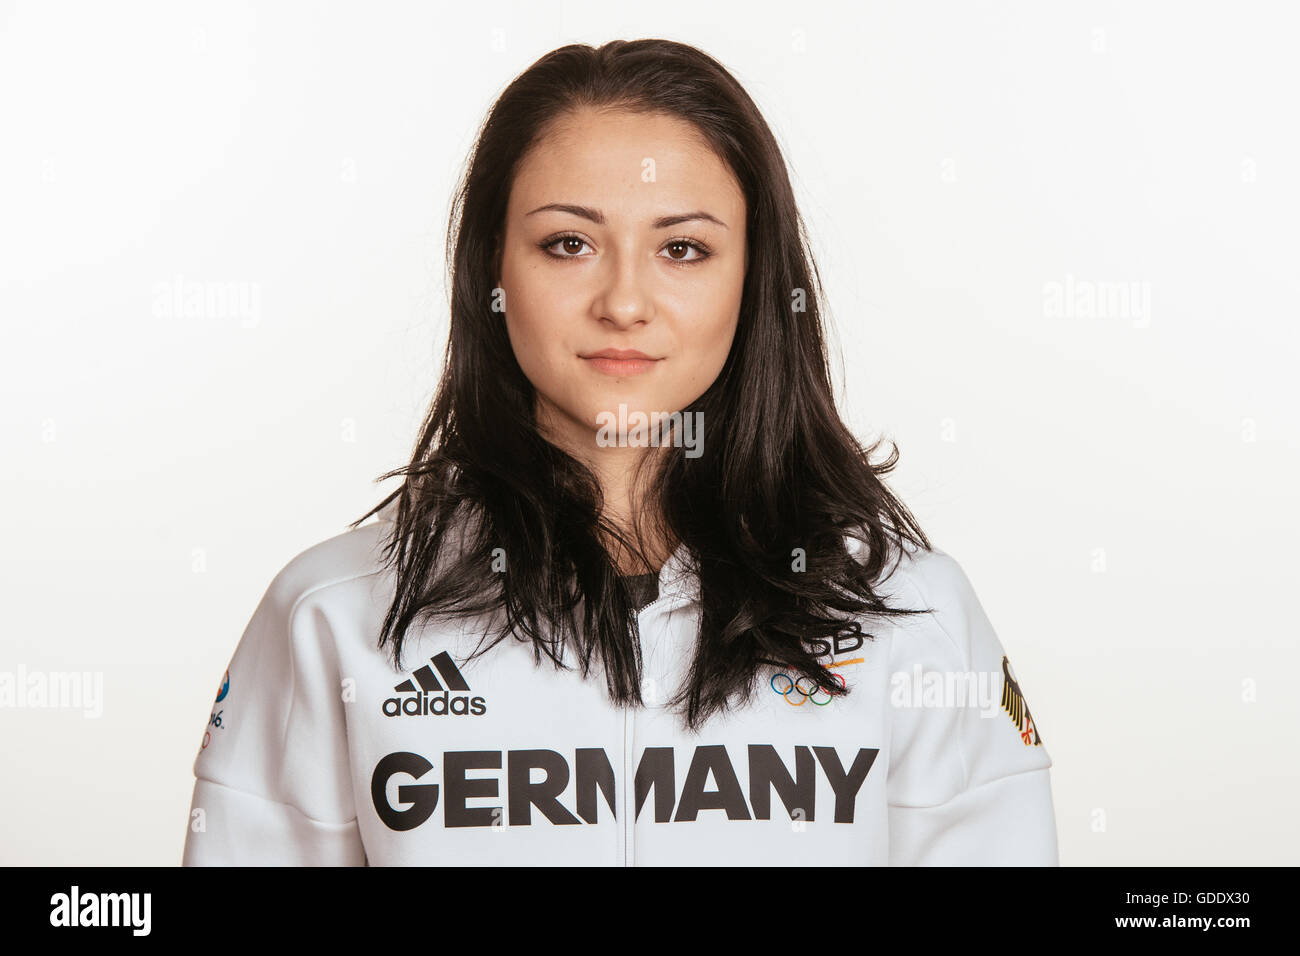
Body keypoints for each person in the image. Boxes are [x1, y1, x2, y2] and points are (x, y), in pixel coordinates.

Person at [182, 38, 1058, 866]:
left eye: (683, 248)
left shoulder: (908, 614)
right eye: (569, 243)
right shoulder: (336, 616)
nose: (625, 301)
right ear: (492, 270)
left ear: (755, 279)